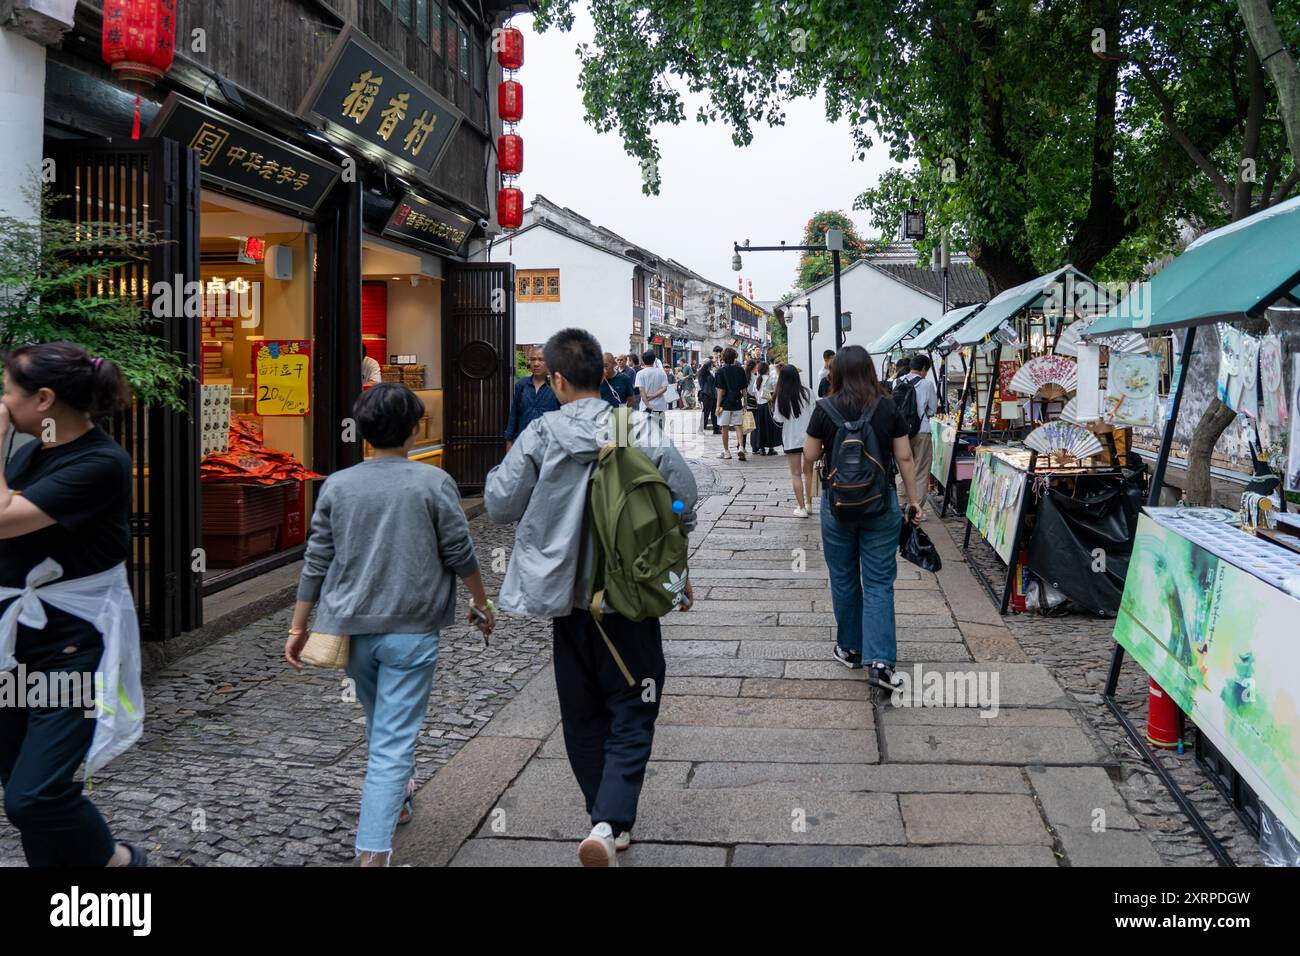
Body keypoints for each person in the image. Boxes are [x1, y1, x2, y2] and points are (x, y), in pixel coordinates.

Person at [484, 328, 698, 867]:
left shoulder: (539, 435)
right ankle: (610, 821)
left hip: (565, 598)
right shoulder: (634, 426)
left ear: (555, 379)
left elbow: (499, 504)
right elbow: (684, 493)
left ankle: (600, 817)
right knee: (636, 699)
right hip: (630, 592)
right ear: (603, 374)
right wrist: (674, 552)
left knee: (580, 712)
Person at [286, 383, 495, 867]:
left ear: (363, 432)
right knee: (393, 739)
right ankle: (373, 853)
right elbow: (459, 553)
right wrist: (482, 602)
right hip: (412, 629)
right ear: (415, 428)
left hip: (353, 629)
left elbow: (316, 561)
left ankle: (398, 794)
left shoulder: (338, 485)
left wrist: (298, 628)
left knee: (382, 721)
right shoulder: (432, 483)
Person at [0, 343, 146, 867]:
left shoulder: (101, 463)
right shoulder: (32, 452)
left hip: (73, 651)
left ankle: (119, 862)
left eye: (6, 391)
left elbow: (2, 518)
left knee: (35, 794)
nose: (1, 401)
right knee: (19, 785)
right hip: (21, 649)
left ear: (43, 399)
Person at [804, 345, 921, 691]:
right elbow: (906, 459)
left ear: (836, 373)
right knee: (879, 581)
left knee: (842, 577)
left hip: (837, 504)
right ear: (870, 371)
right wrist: (913, 502)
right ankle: (881, 661)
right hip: (880, 503)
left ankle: (851, 648)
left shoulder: (824, 408)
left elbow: (810, 455)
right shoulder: (888, 406)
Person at [893, 354, 940, 516]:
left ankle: (901, 503)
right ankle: (915, 508)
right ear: (924, 369)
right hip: (921, 431)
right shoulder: (926, 384)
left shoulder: (896, 382)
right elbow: (933, 409)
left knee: (901, 468)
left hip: (900, 433)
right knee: (920, 471)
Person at [770, 364, 816, 516]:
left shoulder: (781, 396)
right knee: (808, 472)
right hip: (809, 437)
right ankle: (810, 504)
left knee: (796, 473)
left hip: (791, 439)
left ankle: (801, 508)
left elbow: (778, 418)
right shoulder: (808, 392)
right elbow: (815, 412)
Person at [504, 346, 559, 453]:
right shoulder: (522, 385)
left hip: (548, 445)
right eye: (533, 359)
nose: (536, 363)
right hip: (523, 443)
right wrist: (509, 442)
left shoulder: (556, 387)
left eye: (541, 359)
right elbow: (514, 414)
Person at [713, 347, 749, 460]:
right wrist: (745, 404)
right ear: (735, 357)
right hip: (737, 402)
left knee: (725, 428)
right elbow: (744, 390)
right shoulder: (740, 370)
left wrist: (717, 405)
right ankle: (741, 447)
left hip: (725, 404)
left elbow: (720, 391)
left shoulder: (720, 371)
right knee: (738, 426)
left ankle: (726, 451)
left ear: (723, 358)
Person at [634, 349, 670, 430]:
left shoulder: (640, 374)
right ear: (654, 360)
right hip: (659, 406)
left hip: (645, 408)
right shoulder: (661, 372)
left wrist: (647, 404)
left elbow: (641, 391)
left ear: (643, 361)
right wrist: (653, 395)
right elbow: (664, 388)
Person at [749, 361, 780, 455]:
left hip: (759, 406)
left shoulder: (757, 381)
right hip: (768, 405)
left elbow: (755, 394)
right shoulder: (771, 379)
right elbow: (776, 392)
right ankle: (771, 448)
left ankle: (761, 448)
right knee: (770, 427)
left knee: (760, 427)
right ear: (767, 369)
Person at [697, 359, 720, 434]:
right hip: (707, 394)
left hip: (712, 394)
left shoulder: (708, 372)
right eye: (711, 365)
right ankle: (701, 429)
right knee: (706, 412)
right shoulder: (703, 372)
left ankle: (716, 429)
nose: (712, 366)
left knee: (713, 412)